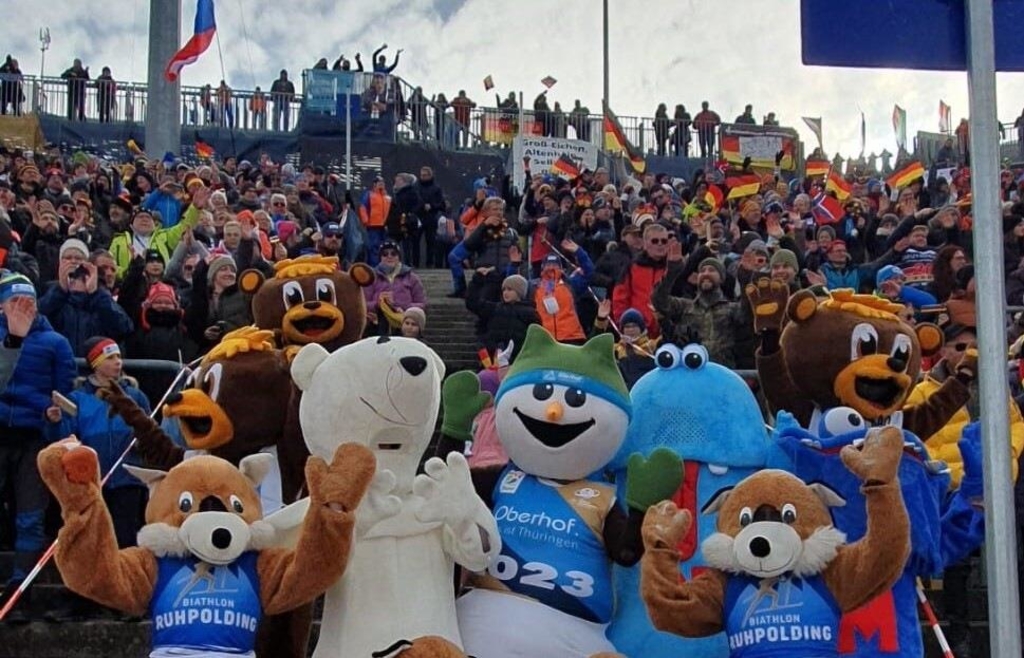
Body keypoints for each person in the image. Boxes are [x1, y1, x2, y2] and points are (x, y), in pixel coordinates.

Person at [906, 323, 1024, 657]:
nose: (966, 355)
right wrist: (954, 473)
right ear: (943, 351)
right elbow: (918, 442)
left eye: (973, 348)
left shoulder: (992, 391)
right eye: (959, 347)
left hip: (998, 486)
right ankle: (959, 632)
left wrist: (1005, 460)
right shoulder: (922, 393)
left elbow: (1015, 428)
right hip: (950, 489)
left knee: (1011, 556)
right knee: (956, 564)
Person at [43, 337, 151, 619]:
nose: (118, 363)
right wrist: (55, 422)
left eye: (118, 357)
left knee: (125, 541)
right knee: (89, 545)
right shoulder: (78, 399)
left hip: (126, 479)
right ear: (95, 363)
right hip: (91, 483)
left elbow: (150, 429)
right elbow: (66, 439)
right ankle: (81, 600)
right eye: (110, 358)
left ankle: (125, 601)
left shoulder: (134, 396)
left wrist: (144, 442)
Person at [0, 273, 75, 623]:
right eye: (14, 301)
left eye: (27, 301)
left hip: (34, 438)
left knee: (30, 517)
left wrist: (55, 415)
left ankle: (21, 590)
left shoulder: (56, 343)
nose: (22, 308)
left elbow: (65, 394)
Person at [38, 238, 134, 357]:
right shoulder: (51, 293)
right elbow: (37, 319)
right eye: (68, 258)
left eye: (78, 258)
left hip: (96, 369)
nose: (73, 262)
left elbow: (124, 328)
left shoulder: (101, 297)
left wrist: (96, 293)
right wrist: (60, 290)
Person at [611, 222, 670, 340]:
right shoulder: (632, 267)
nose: (660, 244)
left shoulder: (673, 269)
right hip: (637, 332)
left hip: (667, 332)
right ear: (645, 243)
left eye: (664, 241)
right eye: (655, 241)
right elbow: (620, 297)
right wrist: (624, 324)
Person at [466, 273, 539, 362]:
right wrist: (476, 280)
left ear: (519, 292)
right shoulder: (494, 309)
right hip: (493, 360)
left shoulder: (530, 313)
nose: (505, 293)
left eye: (510, 289)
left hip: (518, 360)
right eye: (504, 289)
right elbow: (472, 303)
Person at [363, 240, 426, 336]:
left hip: (404, 325)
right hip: (377, 326)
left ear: (399, 257)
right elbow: (362, 303)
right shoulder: (371, 278)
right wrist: (378, 304)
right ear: (380, 258)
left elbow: (422, 303)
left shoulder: (412, 278)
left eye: (394, 253)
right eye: (385, 254)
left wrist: (402, 307)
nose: (389, 256)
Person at [0, 295, 36, 391]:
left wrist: (14, 339)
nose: (18, 307)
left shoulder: (56, 341)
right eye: (14, 300)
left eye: (30, 301)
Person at [414, 166, 448, 269]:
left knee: (431, 241)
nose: (422, 177)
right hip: (418, 217)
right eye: (421, 175)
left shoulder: (436, 188)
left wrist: (432, 206)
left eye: (425, 175)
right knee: (415, 241)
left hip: (431, 218)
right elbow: (414, 200)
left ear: (430, 175)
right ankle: (415, 263)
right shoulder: (416, 187)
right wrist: (421, 206)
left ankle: (430, 263)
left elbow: (441, 204)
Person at [359, 176, 392, 266]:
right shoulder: (369, 195)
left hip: (383, 225)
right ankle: (374, 265)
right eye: (379, 182)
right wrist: (365, 220)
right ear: (374, 184)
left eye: (382, 182)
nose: (381, 184)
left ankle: (382, 264)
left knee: (383, 246)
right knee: (373, 246)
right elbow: (363, 207)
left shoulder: (387, 197)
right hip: (373, 225)